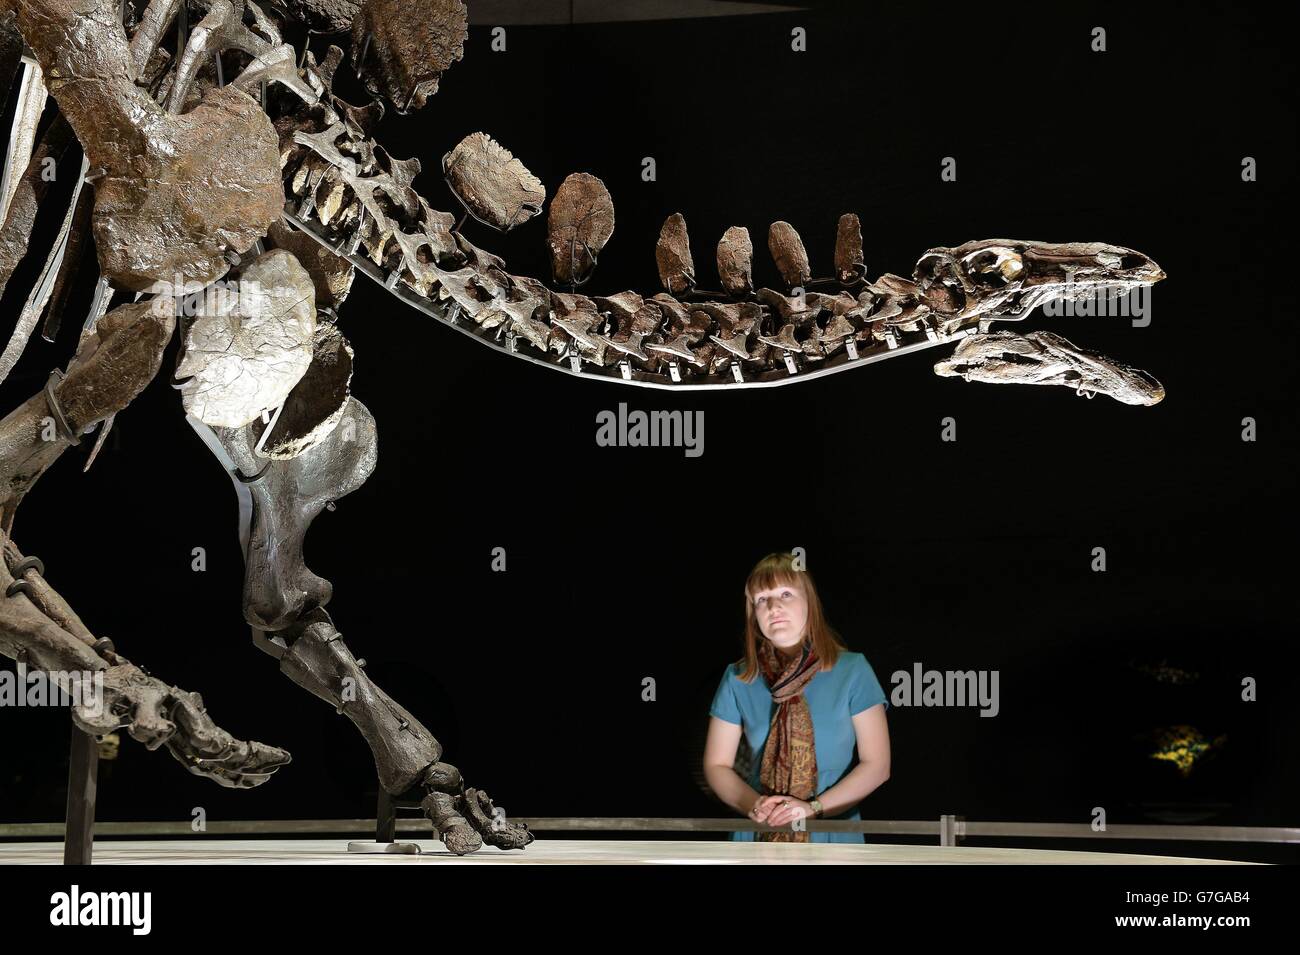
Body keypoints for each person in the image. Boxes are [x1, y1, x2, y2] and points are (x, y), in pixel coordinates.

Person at [703, 552, 891, 843]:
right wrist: (753, 804)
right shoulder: (738, 677)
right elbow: (716, 765)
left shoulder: (853, 670)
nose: (774, 606)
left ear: (810, 602)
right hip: (759, 833)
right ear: (753, 613)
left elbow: (877, 765)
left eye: (786, 593)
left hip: (832, 834)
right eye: (762, 599)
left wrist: (813, 809)